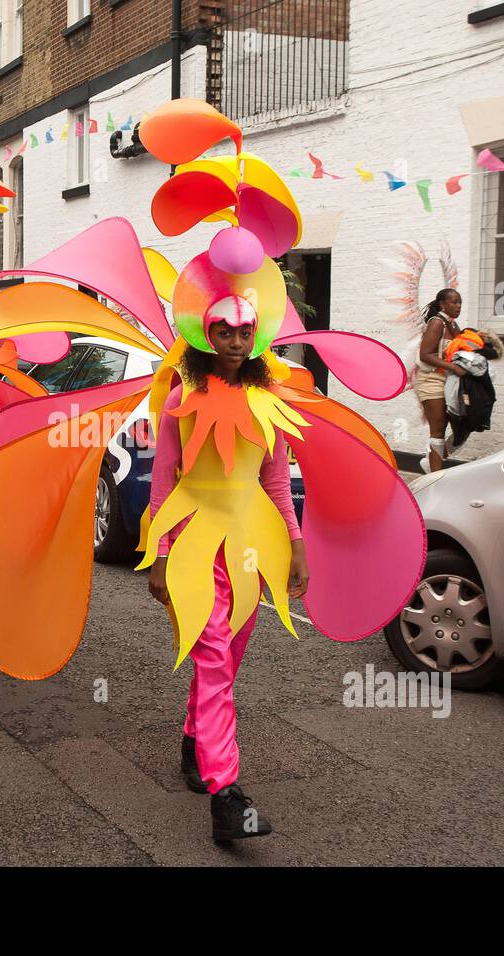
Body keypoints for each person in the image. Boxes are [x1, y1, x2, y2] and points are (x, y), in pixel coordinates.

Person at [145, 307, 309, 842]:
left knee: (226, 659)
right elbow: (164, 479)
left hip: (250, 548)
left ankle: (195, 739)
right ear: (204, 335)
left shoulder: (269, 405)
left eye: (245, 332)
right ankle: (227, 796)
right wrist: (160, 552)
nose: (236, 342)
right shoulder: (180, 400)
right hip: (194, 544)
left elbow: (279, 483)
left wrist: (297, 547)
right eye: (224, 332)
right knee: (213, 656)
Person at [413, 288, 467, 473]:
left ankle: (431, 459)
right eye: (454, 302)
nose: (458, 306)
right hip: (431, 379)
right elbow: (425, 354)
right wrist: (453, 367)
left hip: (448, 380)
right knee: (438, 428)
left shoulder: (454, 326)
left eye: (460, 302)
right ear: (443, 304)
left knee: (462, 427)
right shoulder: (437, 323)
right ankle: (435, 476)